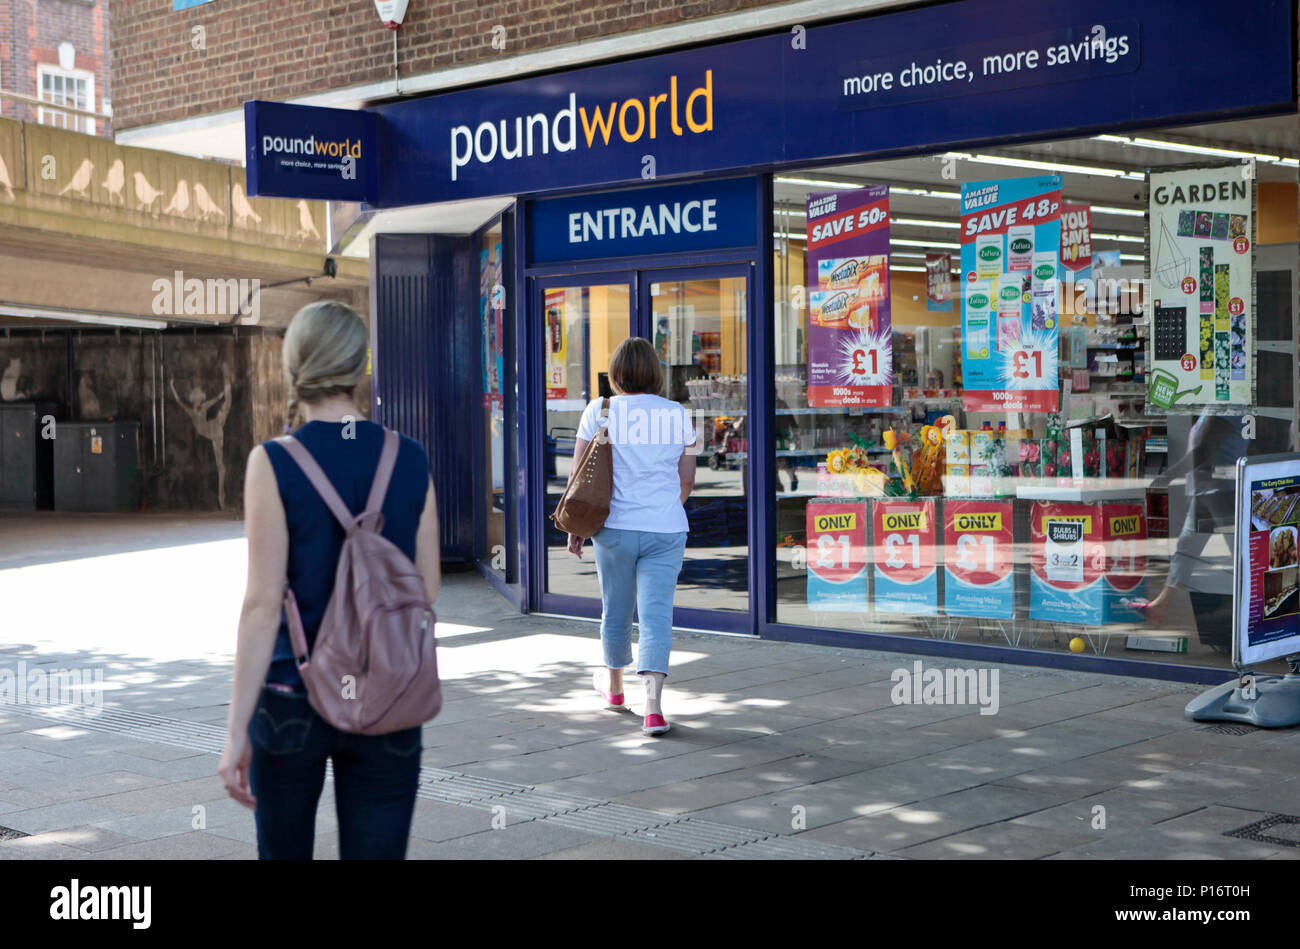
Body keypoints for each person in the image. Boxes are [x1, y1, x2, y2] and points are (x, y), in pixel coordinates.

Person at [217, 301, 440, 859]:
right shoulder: (409, 457)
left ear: (296, 370)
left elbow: (262, 606)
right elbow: (426, 588)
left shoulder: (272, 462)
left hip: (292, 697)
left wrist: (235, 729)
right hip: (388, 694)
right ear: (361, 366)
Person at [567, 337, 696, 736]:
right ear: (655, 373)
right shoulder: (680, 414)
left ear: (617, 374)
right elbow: (687, 482)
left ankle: (616, 689)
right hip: (666, 529)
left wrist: (575, 529)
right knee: (657, 616)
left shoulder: (599, 410)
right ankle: (654, 709)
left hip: (613, 530)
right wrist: (658, 507)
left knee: (616, 610)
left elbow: (578, 477)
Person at [1127, 411, 1245, 652]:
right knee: (1187, 549)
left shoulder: (1228, 404)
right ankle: (1160, 606)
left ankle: (1251, 621)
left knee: (1240, 558)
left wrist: (1169, 475)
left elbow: (1203, 450)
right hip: (1207, 490)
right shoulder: (1215, 404)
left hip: (1220, 490)